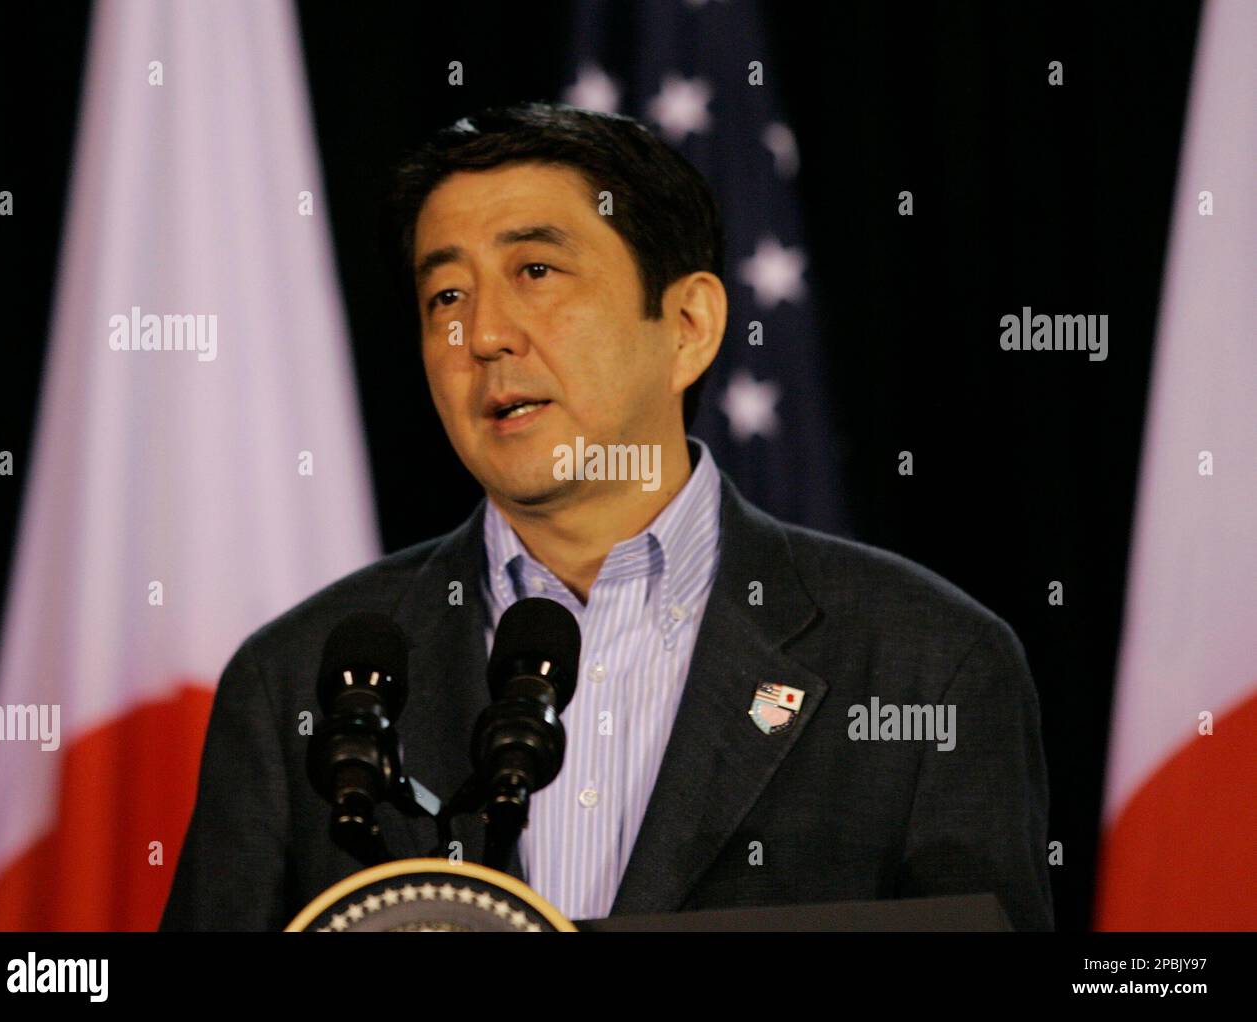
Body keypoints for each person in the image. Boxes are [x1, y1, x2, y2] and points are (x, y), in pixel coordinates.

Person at [161, 102, 1054, 931]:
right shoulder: (295, 681)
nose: (483, 335)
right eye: (446, 296)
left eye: (536, 271)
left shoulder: (926, 663)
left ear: (689, 325)